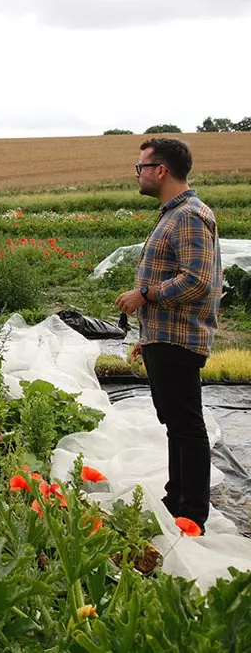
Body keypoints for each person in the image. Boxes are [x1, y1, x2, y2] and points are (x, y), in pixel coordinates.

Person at [114, 138, 222, 533]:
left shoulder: (190, 215)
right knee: (175, 422)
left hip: (180, 339)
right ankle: (175, 497)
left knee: (187, 425)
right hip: (166, 336)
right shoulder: (172, 214)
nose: (138, 173)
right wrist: (149, 334)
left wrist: (144, 294)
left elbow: (197, 282)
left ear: (160, 170)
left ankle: (192, 513)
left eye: (140, 166)